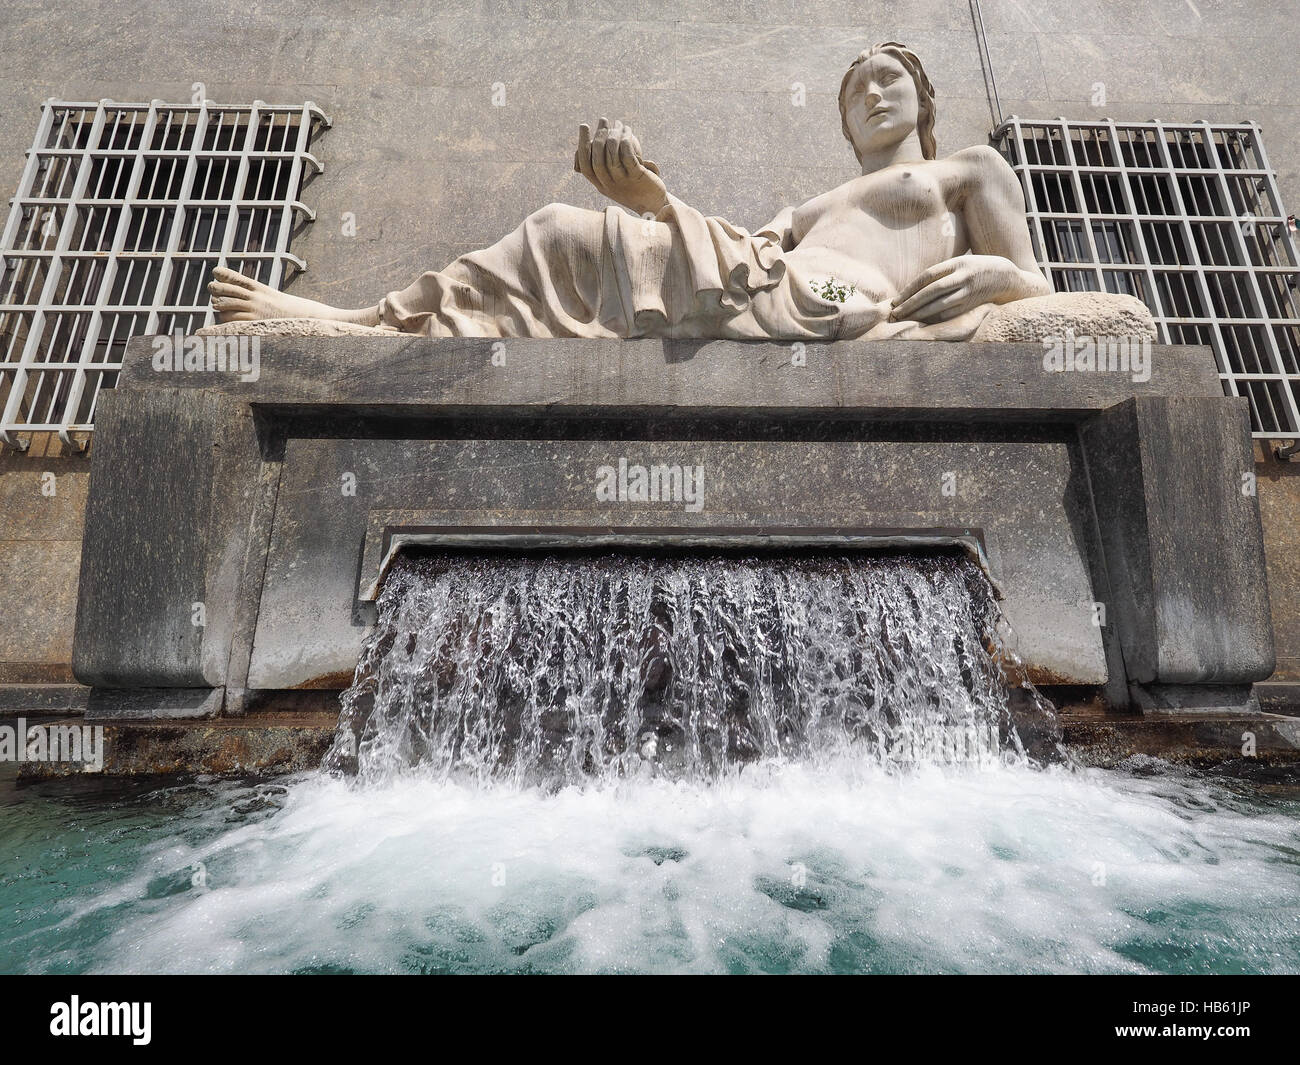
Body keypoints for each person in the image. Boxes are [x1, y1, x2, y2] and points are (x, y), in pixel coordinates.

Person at [208, 42, 1050, 341]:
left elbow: (1038, 280)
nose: (873, 93)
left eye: (889, 78)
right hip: (775, 279)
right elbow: (730, 265)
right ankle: (370, 323)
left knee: (663, 236)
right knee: (557, 228)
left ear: (923, 99)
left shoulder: (968, 167)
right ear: (842, 124)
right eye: (856, 87)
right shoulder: (814, 204)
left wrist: (1005, 278)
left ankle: (354, 325)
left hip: (846, 300)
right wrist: (654, 210)